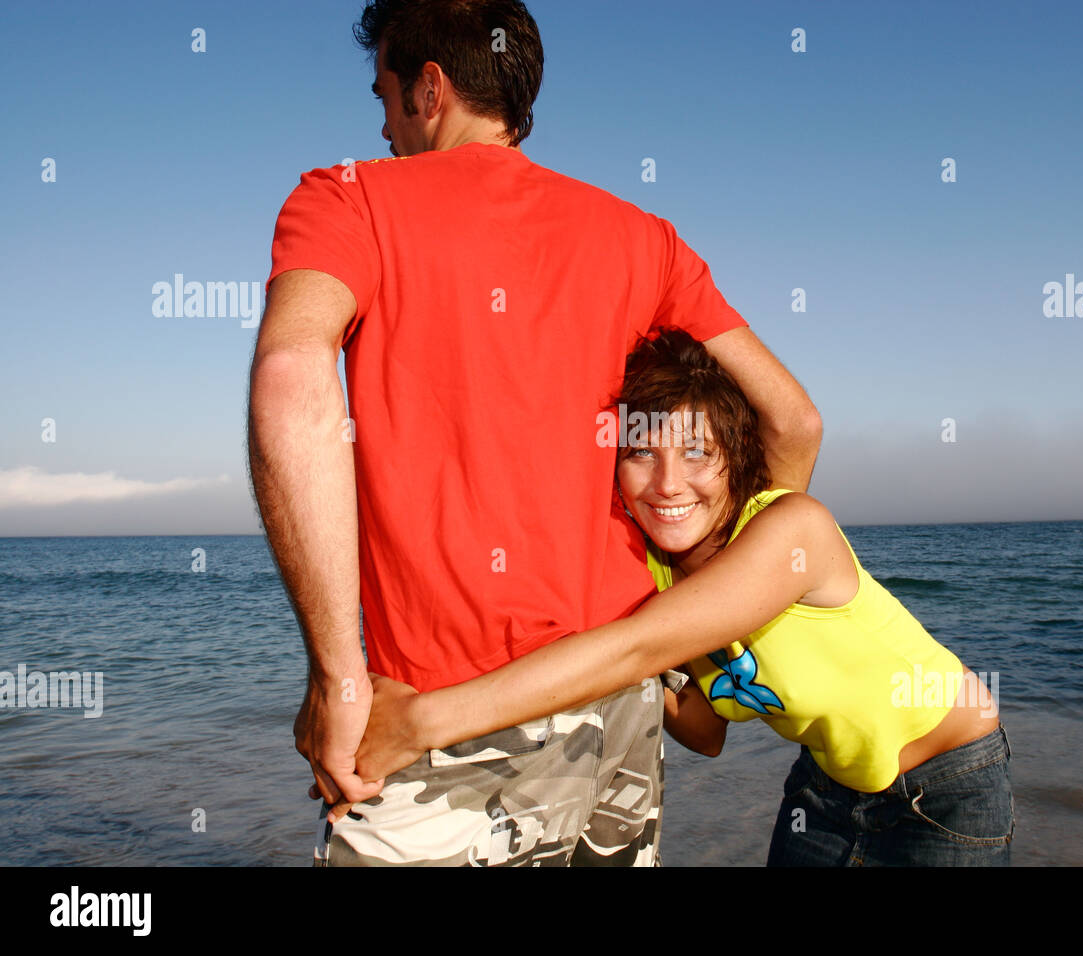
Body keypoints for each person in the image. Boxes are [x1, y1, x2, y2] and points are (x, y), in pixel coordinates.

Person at [247, 0, 822, 866]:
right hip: (619, 705)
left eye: (386, 97)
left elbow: (293, 382)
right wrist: (709, 600)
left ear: (429, 88)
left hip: (434, 714)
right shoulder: (645, 238)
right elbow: (792, 419)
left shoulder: (347, 199)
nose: (382, 124)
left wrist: (338, 677)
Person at [343, 327, 1014, 866]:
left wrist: (421, 724)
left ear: (737, 455)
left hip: (948, 784)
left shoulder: (790, 530)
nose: (668, 484)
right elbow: (705, 730)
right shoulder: (660, 575)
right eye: (641, 454)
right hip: (827, 786)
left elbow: (798, 425)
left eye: (696, 451)